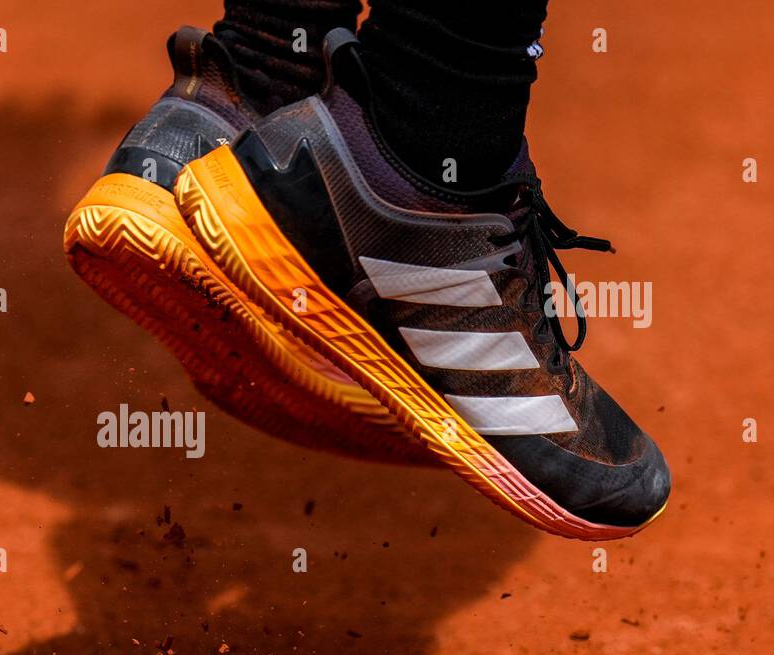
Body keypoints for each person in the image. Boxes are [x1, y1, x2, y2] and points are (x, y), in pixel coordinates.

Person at [64, 1, 670, 540]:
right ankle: (417, 180)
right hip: (406, 184)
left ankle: (251, 87)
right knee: (440, 101)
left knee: (276, 46)